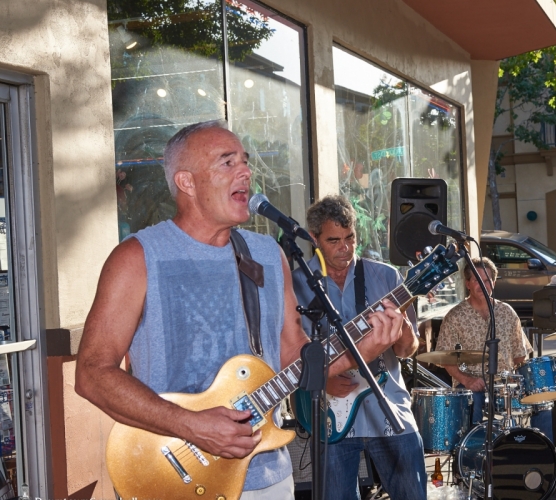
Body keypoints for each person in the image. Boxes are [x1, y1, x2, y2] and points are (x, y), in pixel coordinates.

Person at [74, 122, 404, 499]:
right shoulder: (137, 258)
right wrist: (189, 425)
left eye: (245, 162)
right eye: (227, 162)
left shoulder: (266, 254)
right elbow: (92, 373)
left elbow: (292, 356)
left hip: (266, 475)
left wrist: (361, 351)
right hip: (168, 473)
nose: (246, 172)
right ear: (187, 182)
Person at [291, 195, 426, 500]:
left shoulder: (388, 277)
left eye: (350, 237)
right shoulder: (296, 283)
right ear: (314, 239)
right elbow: (288, 355)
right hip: (329, 415)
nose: (345, 248)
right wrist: (321, 380)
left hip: (389, 408)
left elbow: (408, 349)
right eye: (334, 240)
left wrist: (401, 326)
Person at [435, 258, 542, 432]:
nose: (484, 285)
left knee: (542, 402)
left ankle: (538, 454)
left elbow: (520, 355)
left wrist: (517, 382)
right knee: (474, 401)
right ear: (468, 283)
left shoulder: (507, 312)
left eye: (488, 280)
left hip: (505, 384)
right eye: (478, 280)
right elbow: (445, 358)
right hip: (471, 383)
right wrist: (467, 380)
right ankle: (474, 453)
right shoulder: (455, 316)